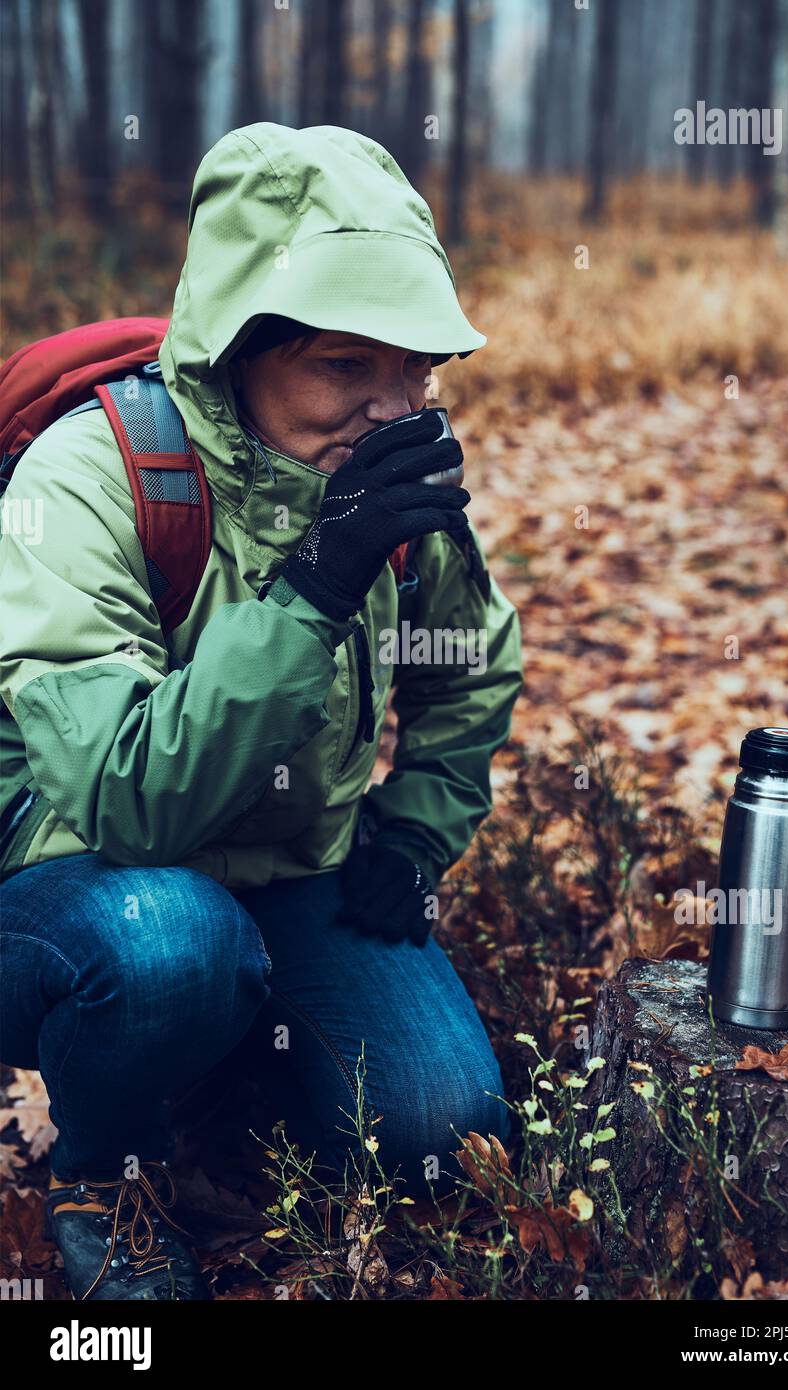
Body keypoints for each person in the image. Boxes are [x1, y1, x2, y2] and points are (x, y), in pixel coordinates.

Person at [0, 123, 523, 1301]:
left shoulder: (384, 467)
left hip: (291, 867)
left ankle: (221, 1059)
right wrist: (315, 585)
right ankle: (104, 1166)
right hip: (76, 880)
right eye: (347, 366)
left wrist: (416, 831)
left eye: (417, 371)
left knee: (439, 1134)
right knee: (167, 946)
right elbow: (127, 801)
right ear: (237, 349)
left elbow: (470, 658)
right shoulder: (94, 479)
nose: (394, 408)